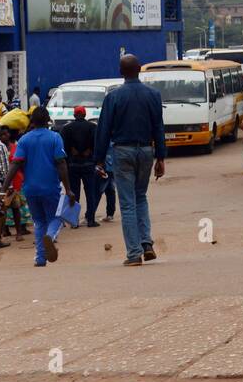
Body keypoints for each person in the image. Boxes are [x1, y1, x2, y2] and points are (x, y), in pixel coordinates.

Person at [94, 54, 165, 267]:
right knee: (141, 196)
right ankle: (146, 243)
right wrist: (161, 156)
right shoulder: (153, 95)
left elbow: (103, 129)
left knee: (126, 204)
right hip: (145, 150)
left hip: (122, 151)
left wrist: (98, 159)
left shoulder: (113, 97)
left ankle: (134, 253)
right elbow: (158, 127)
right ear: (140, 69)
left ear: (120, 72)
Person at [5, 107, 72, 267]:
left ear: (32, 122)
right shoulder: (55, 138)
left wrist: (3, 188)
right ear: (48, 120)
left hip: (30, 189)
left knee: (39, 222)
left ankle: (40, 258)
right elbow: (61, 163)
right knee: (56, 218)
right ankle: (51, 236)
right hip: (50, 187)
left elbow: (16, 163)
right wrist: (68, 189)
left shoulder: (24, 140)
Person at [61, 105, 102, 226]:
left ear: (74, 115)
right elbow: (97, 143)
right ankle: (91, 220)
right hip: (88, 163)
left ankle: (74, 221)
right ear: (85, 115)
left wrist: (71, 151)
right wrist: (90, 150)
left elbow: (63, 146)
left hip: (73, 164)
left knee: (74, 193)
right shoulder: (92, 127)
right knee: (90, 193)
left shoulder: (67, 128)